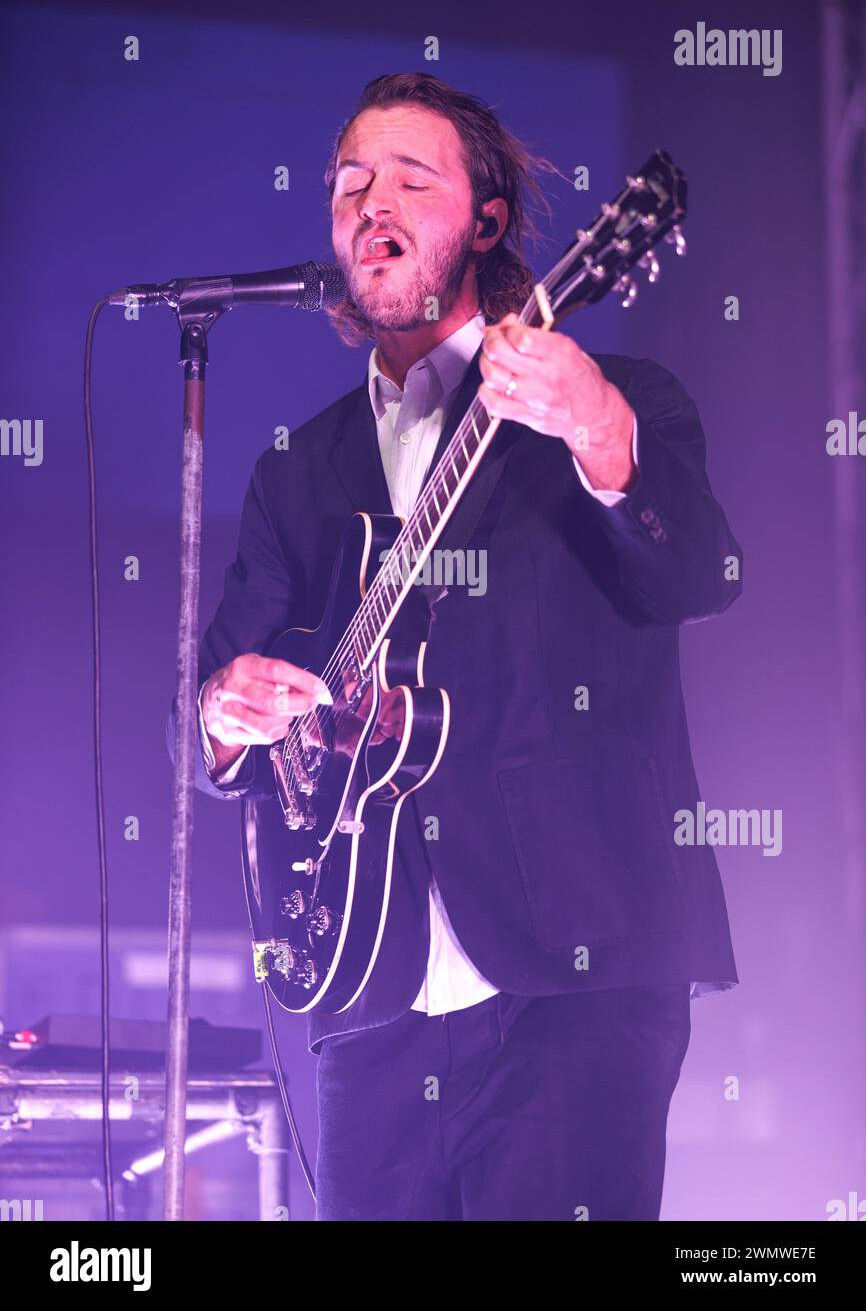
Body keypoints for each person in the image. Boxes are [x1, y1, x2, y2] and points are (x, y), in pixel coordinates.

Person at [168, 72, 741, 1221]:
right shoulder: (298, 467)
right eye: (347, 186)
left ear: (485, 219)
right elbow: (215, 728)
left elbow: (700, 573)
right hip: (369, 999)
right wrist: (226, 714)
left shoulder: (613, 393)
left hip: (572, 972)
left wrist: (596, 431)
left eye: (408, 178)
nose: (368, 202)